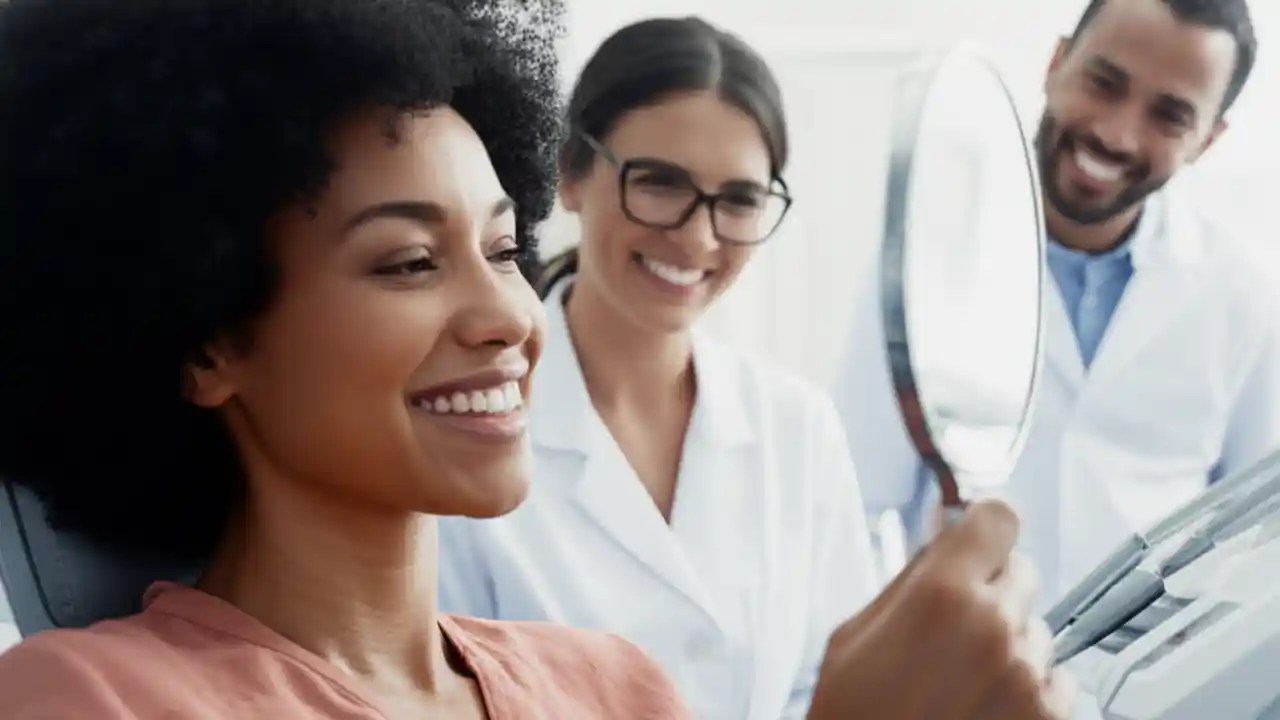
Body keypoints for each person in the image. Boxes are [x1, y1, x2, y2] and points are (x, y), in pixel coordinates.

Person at [0, 1, 1074, 718]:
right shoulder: (88, 700)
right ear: (206, 338)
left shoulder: (613, 689)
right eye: (410, 262)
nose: (507, 317)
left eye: (506, 251)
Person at [435, 16, 1069, 720]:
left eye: (738, 200)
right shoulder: (468, 421)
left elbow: (832, 680)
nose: (698, 236)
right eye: (659, 183)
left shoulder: (798, 428)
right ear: (571, 175)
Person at [834, 0, 1280, 607]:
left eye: (1169, 116)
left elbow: (1256, 536)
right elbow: (854, 503)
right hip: (961, 649)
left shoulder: (1242, 297)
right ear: (1056, 64)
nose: (1117, 134)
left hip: (1152, 664)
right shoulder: (923, 261)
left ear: (1207, 139)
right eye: (1104, 83)